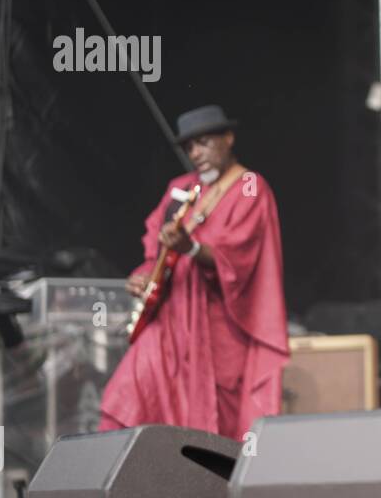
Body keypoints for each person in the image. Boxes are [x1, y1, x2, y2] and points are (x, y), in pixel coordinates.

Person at [99, 105, 289, 440]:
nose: (195, 153)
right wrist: (145, 273)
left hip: (219, 328)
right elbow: (154, 247)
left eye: (203, 143)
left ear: (228, 138)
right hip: (168, 325)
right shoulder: (182, 187)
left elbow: (240, 256)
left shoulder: (249, 186)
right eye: (189, 147)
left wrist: (190, 248)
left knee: (213, 429)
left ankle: (209, 491)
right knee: (125, 400)